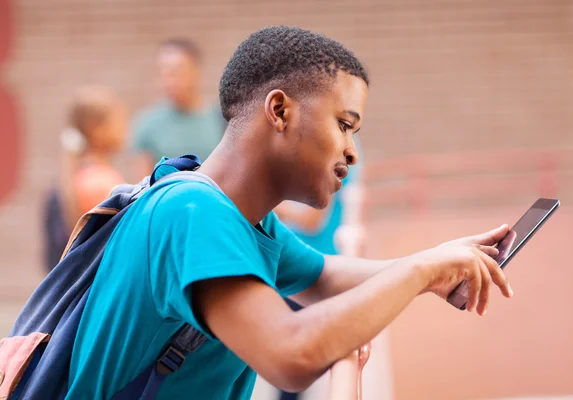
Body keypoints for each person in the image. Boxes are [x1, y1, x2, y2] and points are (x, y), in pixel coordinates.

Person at [65, 26, 514, 399]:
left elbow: (322, 277)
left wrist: (438, 263)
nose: (351, 152)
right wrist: (420, 270)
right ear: (279, 110)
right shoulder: (193, 213)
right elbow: (291, 354)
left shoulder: (248, 220)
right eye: (344, 125)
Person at [274, 140, 365, 400]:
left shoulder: (336, 153)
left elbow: (313, 220)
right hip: (304, 265)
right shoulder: (341, 149)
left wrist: (270, 207)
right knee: (291, 362)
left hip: (311, 269)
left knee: (292, 364)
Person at [43, 85, 127, 272]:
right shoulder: (100, 182)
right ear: (97, 130)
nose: (124, 127)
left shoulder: (81, 176)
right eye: (119, 120)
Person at [130, 38, 226, 180]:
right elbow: (142, 187)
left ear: (196, 71)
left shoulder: (222, 120)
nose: (169, 81)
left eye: (175, 72)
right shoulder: (148, 124)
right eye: (163, 73)